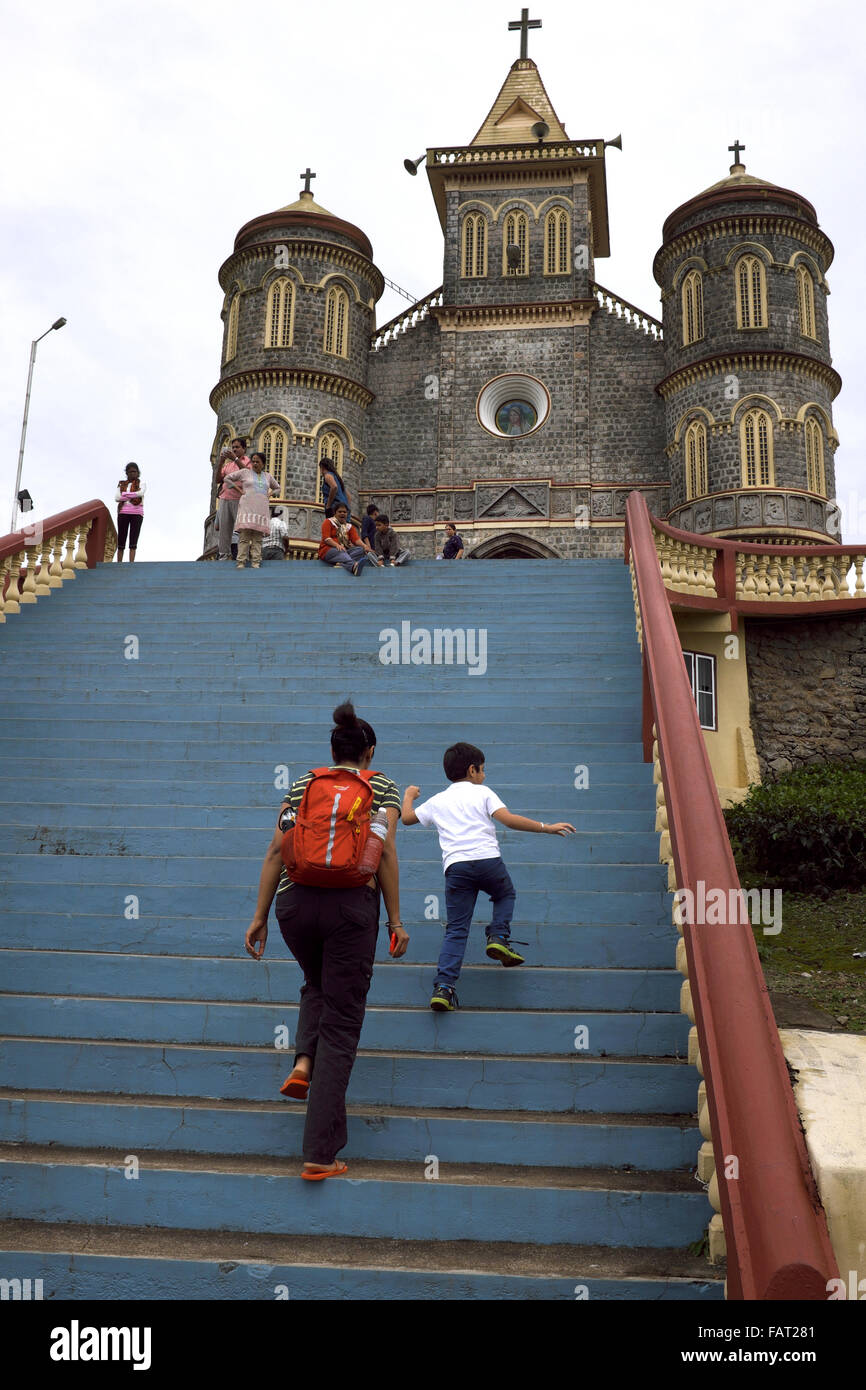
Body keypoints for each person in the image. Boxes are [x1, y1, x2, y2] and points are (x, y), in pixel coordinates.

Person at [244, 702, 409, 1179]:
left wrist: (259, 918)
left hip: (295, 906)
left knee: (317, 982)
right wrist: (396, 920)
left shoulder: (303, 784)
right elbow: (385, 851)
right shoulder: (381, 785)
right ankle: (320, 1153)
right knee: (342, 1021)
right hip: (350, 908)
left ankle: (301, 1061)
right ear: (369, 752)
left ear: (332, 749)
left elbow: (277, 848)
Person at [401, 741, 575, 1011]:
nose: (484, 774)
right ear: (472, 770)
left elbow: (407, 818)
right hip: (488, 862)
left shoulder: (437, 801)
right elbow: (508, 819)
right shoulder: (482, 793)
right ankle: (498, 936)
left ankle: (443, 988)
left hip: (456, 869)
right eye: (483, 769)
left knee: (456, 930)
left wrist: (410, 795)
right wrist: (546, 828)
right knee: (505, 893)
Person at [225, 452, 279, 569]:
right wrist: (239, 490)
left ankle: (256, 563)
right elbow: (227, 478)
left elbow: (277, 488)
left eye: (257, 461)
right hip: (247, 508)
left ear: (263, 464)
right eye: (253, 461)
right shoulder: (245, 472)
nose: (254, 463)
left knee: (257, 539)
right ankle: (241, 562)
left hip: (261, 509)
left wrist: (269, 494)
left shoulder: (268, 476)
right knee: (244, 537)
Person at [318, 503, 378, 576]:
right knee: (340, 550)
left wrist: (365, 546)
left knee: (361, 550)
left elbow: (356, 540)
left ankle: (342, 564)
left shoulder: (349, 526)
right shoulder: (328, 522)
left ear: (347, 514)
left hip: (344, 551)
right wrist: (337, 545)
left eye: (344, 512)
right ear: (335, 513)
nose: (342, 513)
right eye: (340, 512)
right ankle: (353, 566)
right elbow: (326, 538)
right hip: (328, 550)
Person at [216, 439, 249, 561]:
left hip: (239, 499)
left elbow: (248, 474)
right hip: (225, 498)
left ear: (244, 449)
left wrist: (235, 458)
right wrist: (221, 461)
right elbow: (218, 479)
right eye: (233, 447)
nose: (234, 449)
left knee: (240, 529)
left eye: (237, 447)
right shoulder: (228, 465)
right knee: (224, 529)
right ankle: (223, 555)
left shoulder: (248, 462)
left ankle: (242, 555)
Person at [115, 462, 145, 562]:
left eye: (134, 471)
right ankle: (119, 563)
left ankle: (131, 563)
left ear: (138, 473)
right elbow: (117, 498)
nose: (132, 473)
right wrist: (133, 494)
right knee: (121, 538)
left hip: (137, 513)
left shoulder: (142, 483)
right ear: (127, 473)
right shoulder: (121, 484)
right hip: (123, 512)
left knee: (133, 539)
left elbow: (140, 493)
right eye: (130, 472)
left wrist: (125, 494)